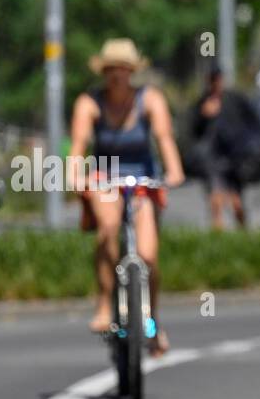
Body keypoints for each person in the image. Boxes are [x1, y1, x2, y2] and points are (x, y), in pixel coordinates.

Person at [68, 38, 184, 355]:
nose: (117, 75)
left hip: (142, 178)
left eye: (123, 69)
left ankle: (152, 322)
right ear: (104, 72)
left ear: (132, 71)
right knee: (107, 228)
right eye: (111, 69)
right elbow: (79, 145)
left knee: (148, 256)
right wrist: (74, 175)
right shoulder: (90, 102)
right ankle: (106, 301)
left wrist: (173, 171)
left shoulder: (149, 99)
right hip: (106, 175)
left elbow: (163, 138)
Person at [189, 69, 260, 230]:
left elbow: (254, 121)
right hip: (212, 157)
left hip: (235, 156)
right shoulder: (203, 101)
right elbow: (194, 130)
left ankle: (243, 231)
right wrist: (204, 115)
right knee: (215, 198)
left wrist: (259, 142)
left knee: (236, 201)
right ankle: (218, 236)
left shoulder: (235, 99)